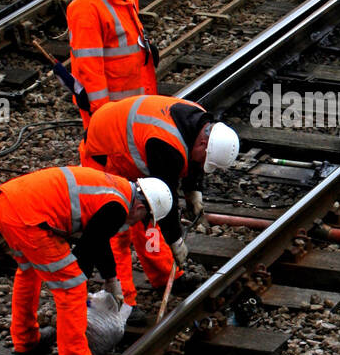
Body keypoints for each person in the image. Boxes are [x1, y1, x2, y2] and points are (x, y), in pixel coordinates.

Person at [0, 165, 172, 355]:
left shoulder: (116, 191)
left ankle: (26, 341)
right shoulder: (117, 207)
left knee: (28, 272)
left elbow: (98, 238)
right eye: (142, 218)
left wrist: (110, 279)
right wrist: (84, 287)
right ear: (140, 206)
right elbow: (86, 251)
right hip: (30, 219)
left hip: (8, 205)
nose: (137, 224)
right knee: (72, 287)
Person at [79, 94, 239, 306]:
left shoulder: (200, 122)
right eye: (206, 161)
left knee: (148, 220)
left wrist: (193, 189)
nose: (203, 166)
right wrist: (176, 240)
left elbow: (194, 159)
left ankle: (164, 276)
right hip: (106, 152)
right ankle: (123, 299)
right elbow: (167, 202)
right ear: (203, 142)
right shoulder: (166, 144)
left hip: (137, 149)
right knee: (118, 230)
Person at [65, 0, 158, 130]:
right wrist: (102, 117)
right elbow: (88, 70)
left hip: (133, 103)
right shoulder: (86, 7)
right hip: (112, 111)